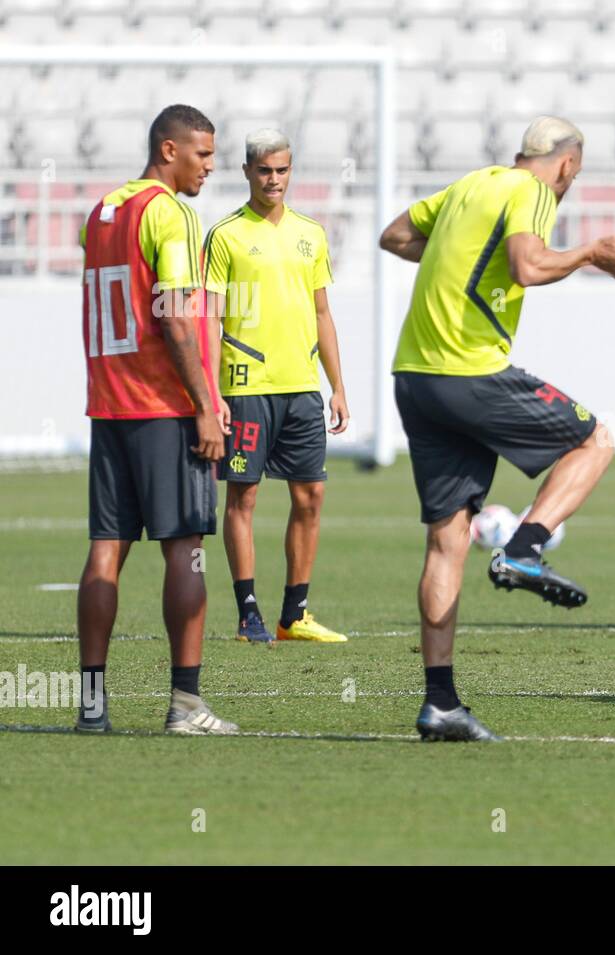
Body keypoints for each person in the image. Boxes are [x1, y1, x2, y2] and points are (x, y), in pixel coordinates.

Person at [378, 116, 615, 741]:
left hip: (415, 375)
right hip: (469, 371)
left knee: (448, 540)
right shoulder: (532, 193)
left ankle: (440, 703)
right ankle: (524, 551)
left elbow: (394, 237)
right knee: (594, 439)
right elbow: (528, 266)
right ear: (569, 165)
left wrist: (460, 256)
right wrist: (589, 253)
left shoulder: (471, 185)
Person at [76, 104, 238, 734]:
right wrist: (205, 404)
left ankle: (92, 704)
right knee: (187, 551)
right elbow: (173, 315)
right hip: (163, 407)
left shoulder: (103, 210)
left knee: (105, 552)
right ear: (168, 151)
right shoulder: (169, 213)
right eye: (202, 154)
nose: (210, 166)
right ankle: (186, 704)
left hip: (109, 404)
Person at [204, 128, 350, 645]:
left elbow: (322, 312)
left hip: (301, 388)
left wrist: (337, 386)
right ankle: (248, 615)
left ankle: (295, 615)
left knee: (310, 496)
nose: (273, 179)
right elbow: (208, 319)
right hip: (245, 387)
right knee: (243, 498)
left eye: (282, 170)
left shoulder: (311, 233)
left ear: (292, 171)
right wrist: (210, 392)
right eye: (264, 170)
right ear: (246, 172)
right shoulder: (225, 236)